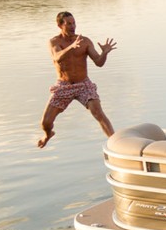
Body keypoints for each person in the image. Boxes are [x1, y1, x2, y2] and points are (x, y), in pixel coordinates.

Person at [38, 10, 116, 148]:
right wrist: (71, 47)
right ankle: (48, 134)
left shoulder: (85, 41)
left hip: (83, 84)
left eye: (74, 23)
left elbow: (99, 63)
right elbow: (57, 57)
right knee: (46, 123)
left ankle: (115, 142)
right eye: (69, 24)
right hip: (64, 85)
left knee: (98, 112)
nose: (73, 26)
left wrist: (104, 53)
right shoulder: (54, 42)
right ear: (60, 25)